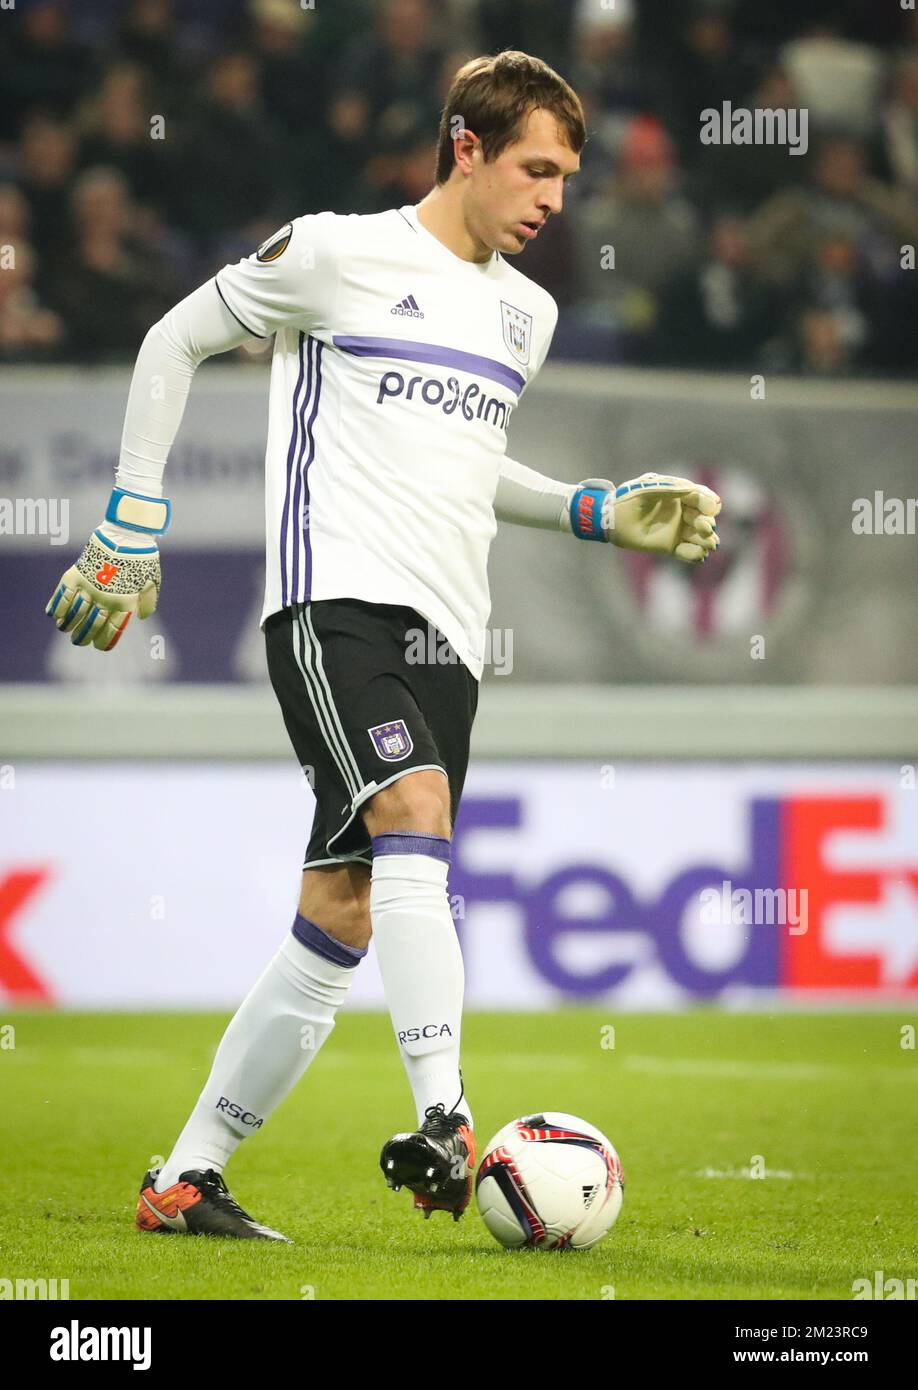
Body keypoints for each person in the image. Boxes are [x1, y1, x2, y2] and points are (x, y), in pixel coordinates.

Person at [45, 50, 721, 1242]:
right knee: (412, 810)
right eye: (537, 168)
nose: (556, 197)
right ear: (466, 146)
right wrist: (131, 520)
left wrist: (594, 509)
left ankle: (185, 1179)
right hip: (331, 607)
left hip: (449, 632)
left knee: (346, 904)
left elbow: (466, 464)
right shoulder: (334, 252)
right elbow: (171, 340)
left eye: (568, 174)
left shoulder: (528, 312)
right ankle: (448, 1115)